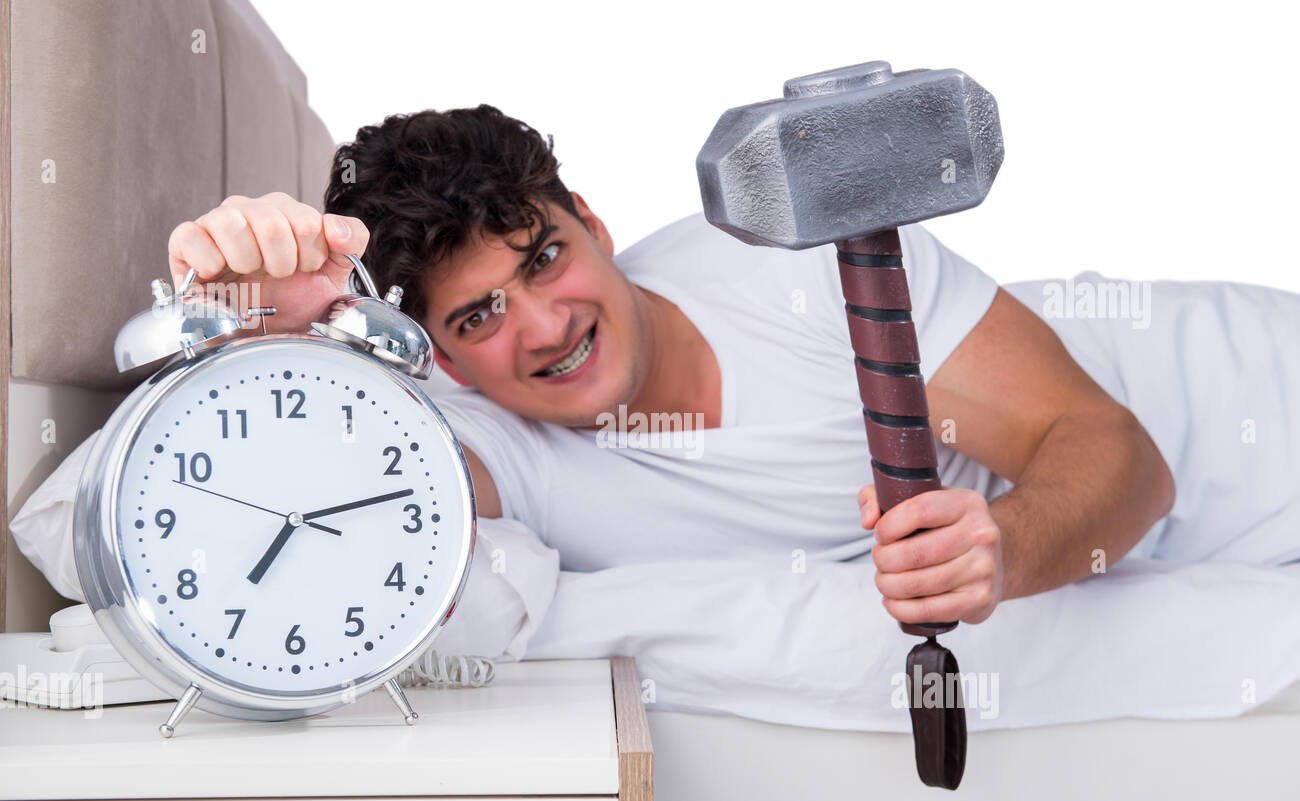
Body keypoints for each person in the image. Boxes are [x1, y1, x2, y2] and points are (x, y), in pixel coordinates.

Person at [165, 104, 1176, 631]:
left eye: (543, 259)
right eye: (479, 316)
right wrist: (259, 327)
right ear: (446, 362)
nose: (545, 327)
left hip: (1223, 375)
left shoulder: (806, 265)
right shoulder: (489, 451)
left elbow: (1117, 453)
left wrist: (1001, 543)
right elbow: (295, 508)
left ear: (596, 226)